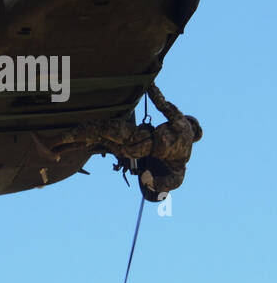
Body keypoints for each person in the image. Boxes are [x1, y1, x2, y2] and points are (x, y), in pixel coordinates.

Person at [51, 82, 201, 199]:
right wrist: (152, 182)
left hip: (141, 138)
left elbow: (163, 105)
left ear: (190, 123)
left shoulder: (183, 125)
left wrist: (150, 85)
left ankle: (58, 140)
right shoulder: (185, 155)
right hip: (134, 153)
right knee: (102, 142)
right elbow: (177, 180)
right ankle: (60, 150)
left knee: (100, 128)